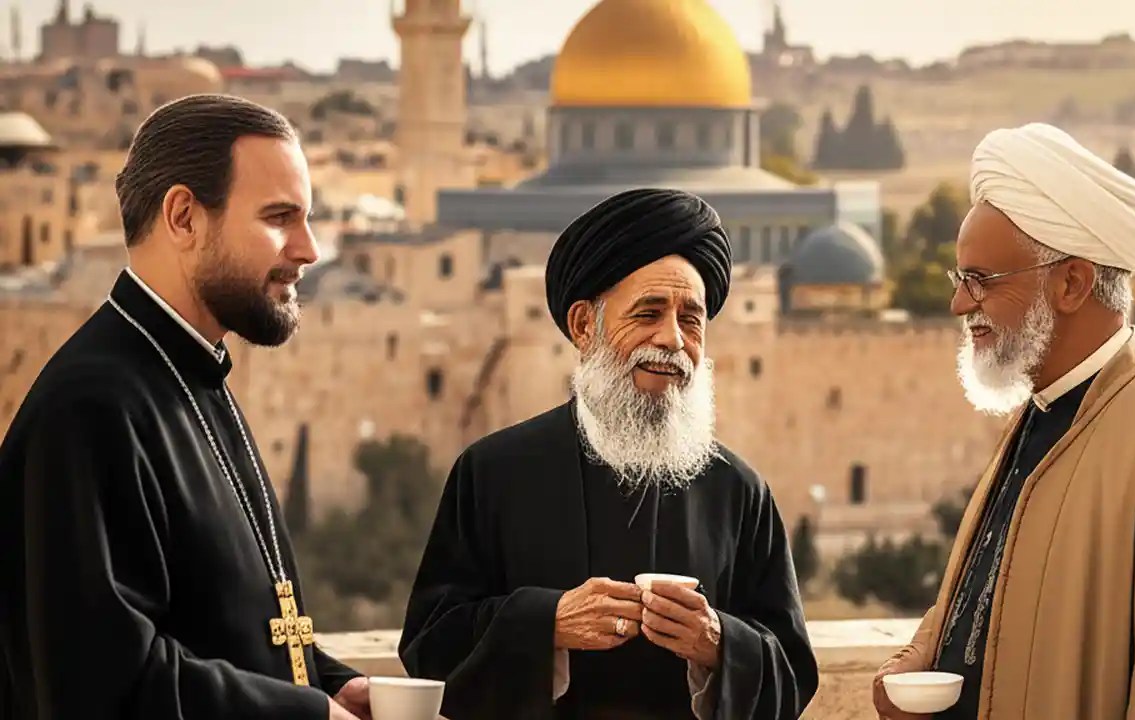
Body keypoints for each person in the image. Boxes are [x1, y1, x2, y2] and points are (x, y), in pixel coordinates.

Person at [872, 122, 1135, 720]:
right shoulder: (1040, 415)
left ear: (1073, 284)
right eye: (960, 280)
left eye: (980, 281)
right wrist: (918, 655)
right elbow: (986, 602)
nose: (958, 304)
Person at [0, 94, 371, 720]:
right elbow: (101, 684)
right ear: (183, 217)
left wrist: (329, 686)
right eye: (280, 217)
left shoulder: (194, 376)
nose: (308, 249)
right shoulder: (92, 409)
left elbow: (228, 622)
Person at [398, 187, 818, 720]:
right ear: (582, 326)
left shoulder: (738, 490)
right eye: (648, 313)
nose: (671, 339)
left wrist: (717, 643)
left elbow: (793, 674)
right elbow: (429, 649)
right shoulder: (494, 472)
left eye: (691, 319)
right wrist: (548, 622)